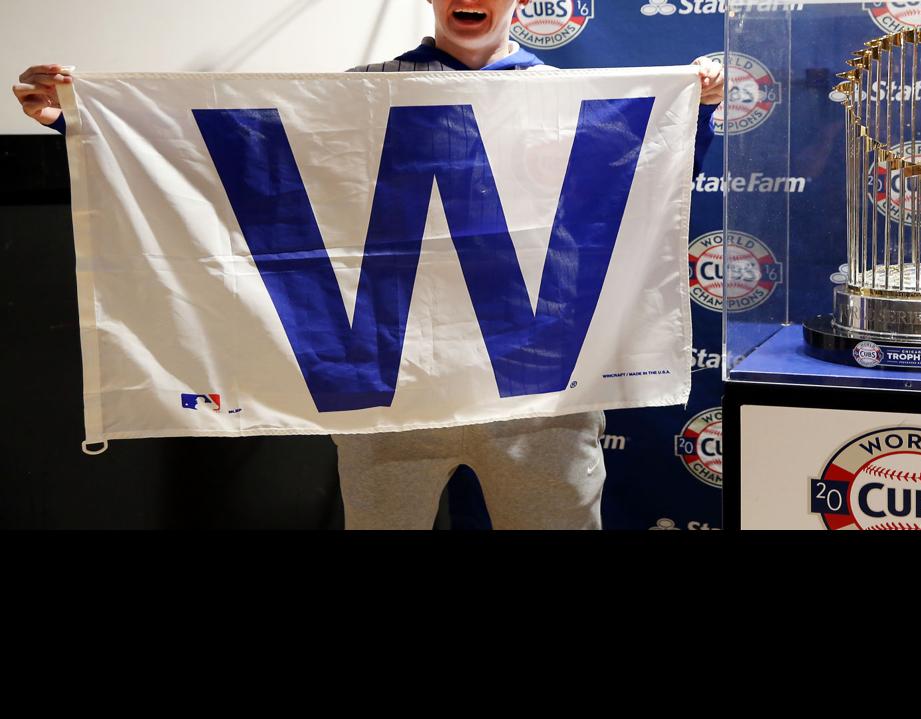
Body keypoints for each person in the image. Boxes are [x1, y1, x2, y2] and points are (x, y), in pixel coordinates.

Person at [13, 0, 726, 529]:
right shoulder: (358, 92)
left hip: (537, 407)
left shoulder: (578, 104)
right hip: (392, 404)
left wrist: (694, 111)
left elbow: (641, 199)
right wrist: (83, 120)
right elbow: (214, 168)